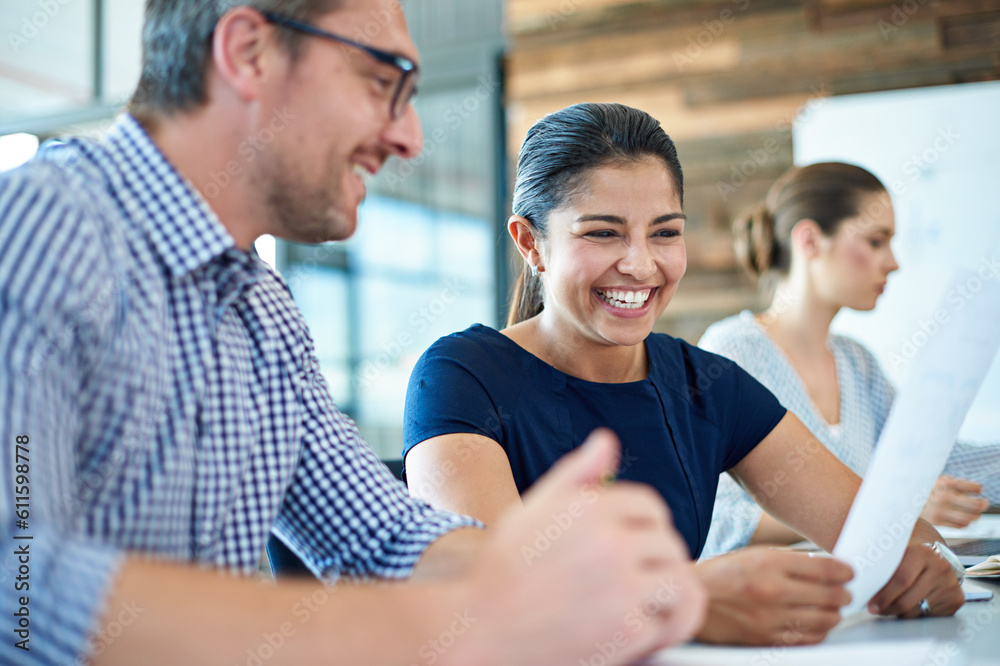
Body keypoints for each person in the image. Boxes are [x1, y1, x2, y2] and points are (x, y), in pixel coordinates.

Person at [0, 3, 707, 665]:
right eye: (380, 82)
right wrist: (468, 617)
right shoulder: (44, 223)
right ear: (249, 53)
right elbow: (19, 587)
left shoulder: (262, 312)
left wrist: (560, 578)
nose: (409, 138)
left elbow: (379, 535)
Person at [403, 102, 966, 647]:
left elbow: (891, 536)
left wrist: (931, 568)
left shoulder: (707, 384)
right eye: (603, 233)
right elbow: (482, 597)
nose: (642, 264)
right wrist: (686, 598)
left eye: (665, 232)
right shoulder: (459, 375)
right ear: (531, 242)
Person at [699, 161, 1000, 556]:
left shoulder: (858, 364)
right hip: (776, 607)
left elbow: (943, 461)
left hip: (862, 601)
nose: (893, 262)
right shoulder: (730, 354)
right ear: (809, 241)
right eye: (876, 241)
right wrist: (888, 508)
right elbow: (717, 524)